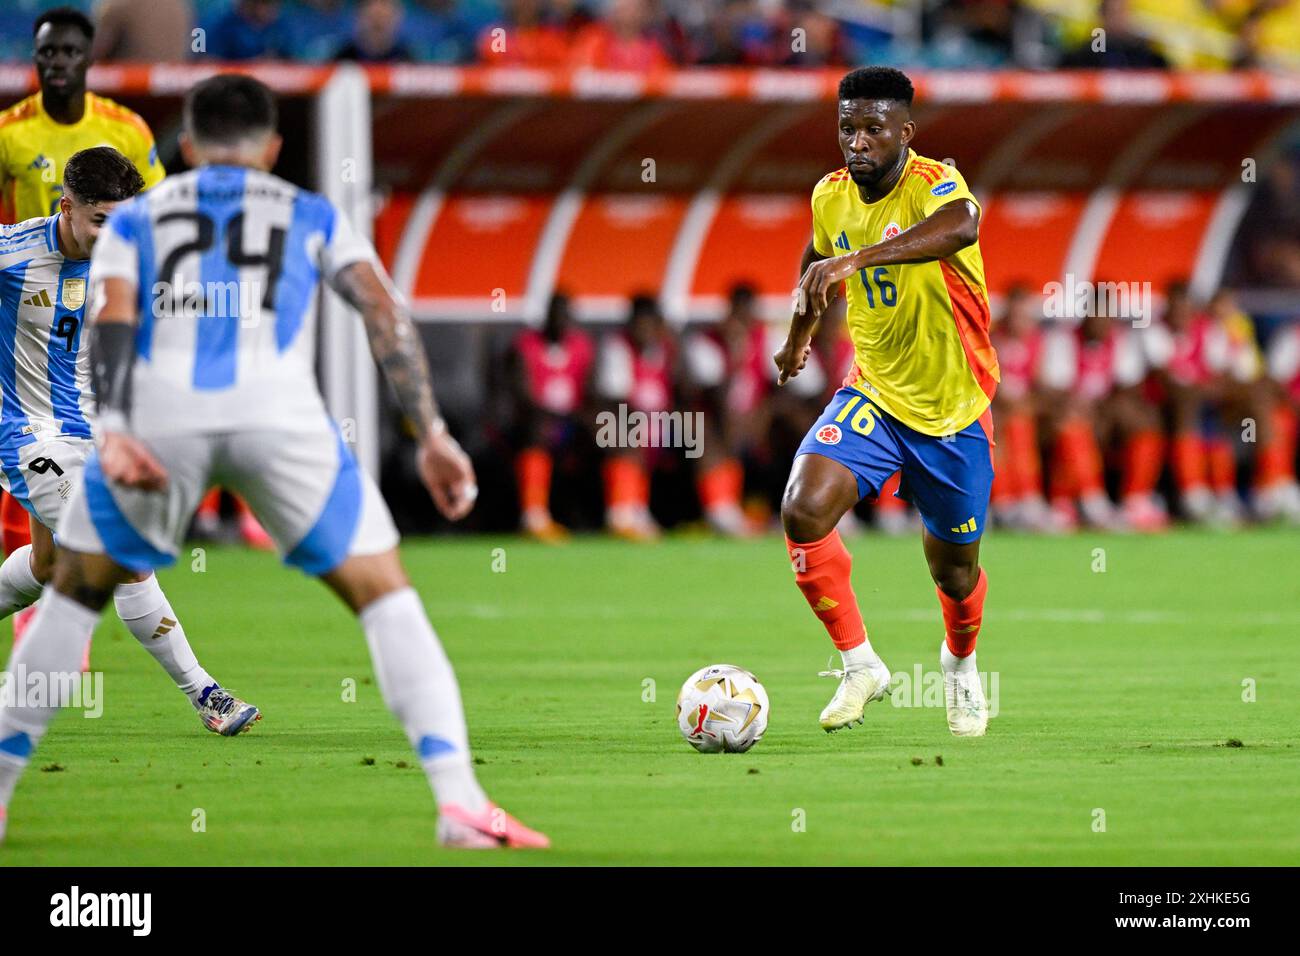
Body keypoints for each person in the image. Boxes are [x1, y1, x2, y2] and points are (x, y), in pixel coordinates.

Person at [0, 75, 547, 849]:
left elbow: (115, 321)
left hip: (165, 419)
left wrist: (119, 425)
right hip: (280, 419)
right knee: (386, 596)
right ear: (275, 148)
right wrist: (430, 433)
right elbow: (382, 310)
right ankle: (459, 801)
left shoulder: (142, 219)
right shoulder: (309, 212)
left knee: (73, 590)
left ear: (189, 148)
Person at [0, 147, 260, 736]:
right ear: (66, 207)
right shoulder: (13, 253)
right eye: (101, 221)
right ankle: (207, 695)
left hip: (95, 431)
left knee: (45, 564)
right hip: (27, 432)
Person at [772, 67, 997, 738]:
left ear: (906, 132)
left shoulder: (935, 183)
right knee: (803, 507)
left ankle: (959, 664)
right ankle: (860, 664)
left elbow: (962, 226)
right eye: (848, 128)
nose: (858, 141)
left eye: (874, 128)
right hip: (873, 393)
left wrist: (859, 259)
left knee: (954, 574)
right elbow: (817, 262)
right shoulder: (830, 195)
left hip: (953, 408)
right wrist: (796, 340)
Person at [0, 6, 167, 652]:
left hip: (83, 342)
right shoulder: (11, 131)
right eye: (48, 52)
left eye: (70, 51)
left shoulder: (124, 129)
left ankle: (48, 605)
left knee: (47, 559)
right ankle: (202, 692)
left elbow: (157, 215)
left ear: (90, 57)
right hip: (27, 316)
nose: (59, 63)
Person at [510, 291, 595, 541]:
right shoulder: (525, 346)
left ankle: (625, 514)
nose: (561, 321)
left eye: (566, 316)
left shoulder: (582, 347)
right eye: (556, 315)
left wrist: (585, 418)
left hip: (573, 424)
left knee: (618, 431)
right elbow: (523, 397)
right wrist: (552, 416)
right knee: (537, 429)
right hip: (539, 422)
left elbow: (591, 393)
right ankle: (534, 516)